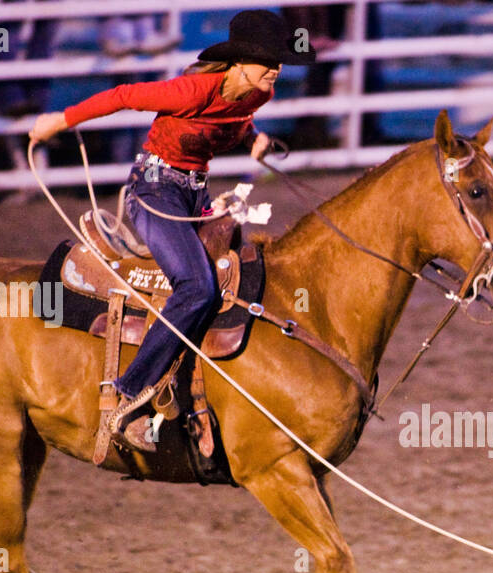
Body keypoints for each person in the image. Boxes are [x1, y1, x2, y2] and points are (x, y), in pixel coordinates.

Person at [29, 10, 316, 454]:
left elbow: (233, 121)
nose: (275, 69)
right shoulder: (192, 89)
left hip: (193, 197)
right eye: (267, 60)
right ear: (239, 61)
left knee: (235, 275)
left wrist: (252, 138)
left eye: (279, 60)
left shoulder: (257, 94)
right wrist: (62, 120)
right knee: (197, 288)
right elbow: (124, 95)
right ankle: (126, 395)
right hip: (153, 192)